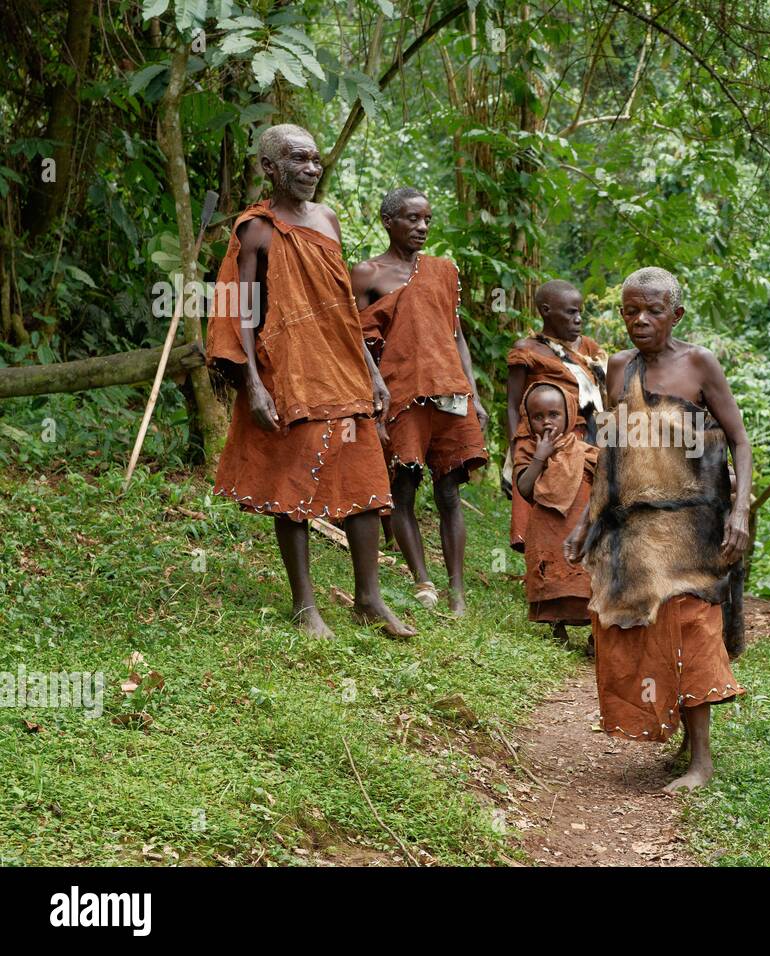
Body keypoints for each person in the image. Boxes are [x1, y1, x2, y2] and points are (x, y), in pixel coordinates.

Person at [206, 124, 413, 639]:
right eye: (298, 160)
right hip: (288, 371)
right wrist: (251, 383)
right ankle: (305, 606)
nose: (311, 170)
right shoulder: (255, 230)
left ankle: (369, 598)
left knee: (365, 479)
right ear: (269, 169)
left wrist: (371, 371)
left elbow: (344, 305)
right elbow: (242, 313)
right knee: (291, 481)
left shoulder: (327, 219)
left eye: (315, 160)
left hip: (341, 366)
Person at [565, 267, 751, 793]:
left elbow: (739, 441)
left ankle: (702, 759)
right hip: (635, 528)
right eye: (630, 311)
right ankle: (677, 740)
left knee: (691, 627)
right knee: (645, 630)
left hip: (695, 524)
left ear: (677, 315)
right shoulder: (619, 368)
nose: (639, 321)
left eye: (652, 311)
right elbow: (613, 453)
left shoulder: (699, 364)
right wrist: (588, 520)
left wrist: (739, 511)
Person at [351, 187, 489, 616]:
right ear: (388, 221)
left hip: (449, 391)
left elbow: (456, 336)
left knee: (449, 490)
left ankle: (457, 592)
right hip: (401, 393)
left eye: (427, 219)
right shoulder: (367, 273)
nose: (423, 227)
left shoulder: (444, 270)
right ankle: (421, 580)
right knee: (405, 487)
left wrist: (475, 394)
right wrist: (375, 388)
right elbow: (355, 338)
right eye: (412, 219)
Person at [504, 280, 606, 552]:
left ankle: (579, 568)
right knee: (545, 504)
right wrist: (516, 449)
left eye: (580, 312)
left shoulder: (588, 348)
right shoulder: (527, 349)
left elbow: (602, 399)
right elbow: (513, 405)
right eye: (571, 312)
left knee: (582, 506)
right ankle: (545, 562)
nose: (578, 319)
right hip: (543, 440)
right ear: (546, 311)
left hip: (585, 439)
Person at [513, 383, 597, 646]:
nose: (546, 422)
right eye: (538, 417)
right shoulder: (528, 448)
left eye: (554, 414)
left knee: (589, 577)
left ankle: (597, 634)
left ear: (569, 415)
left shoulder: (584, 449)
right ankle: (556, 627)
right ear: (529, 420)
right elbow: (525, 489)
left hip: (580, 524)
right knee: (551, 572)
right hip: (546, 527)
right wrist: (540, 457)